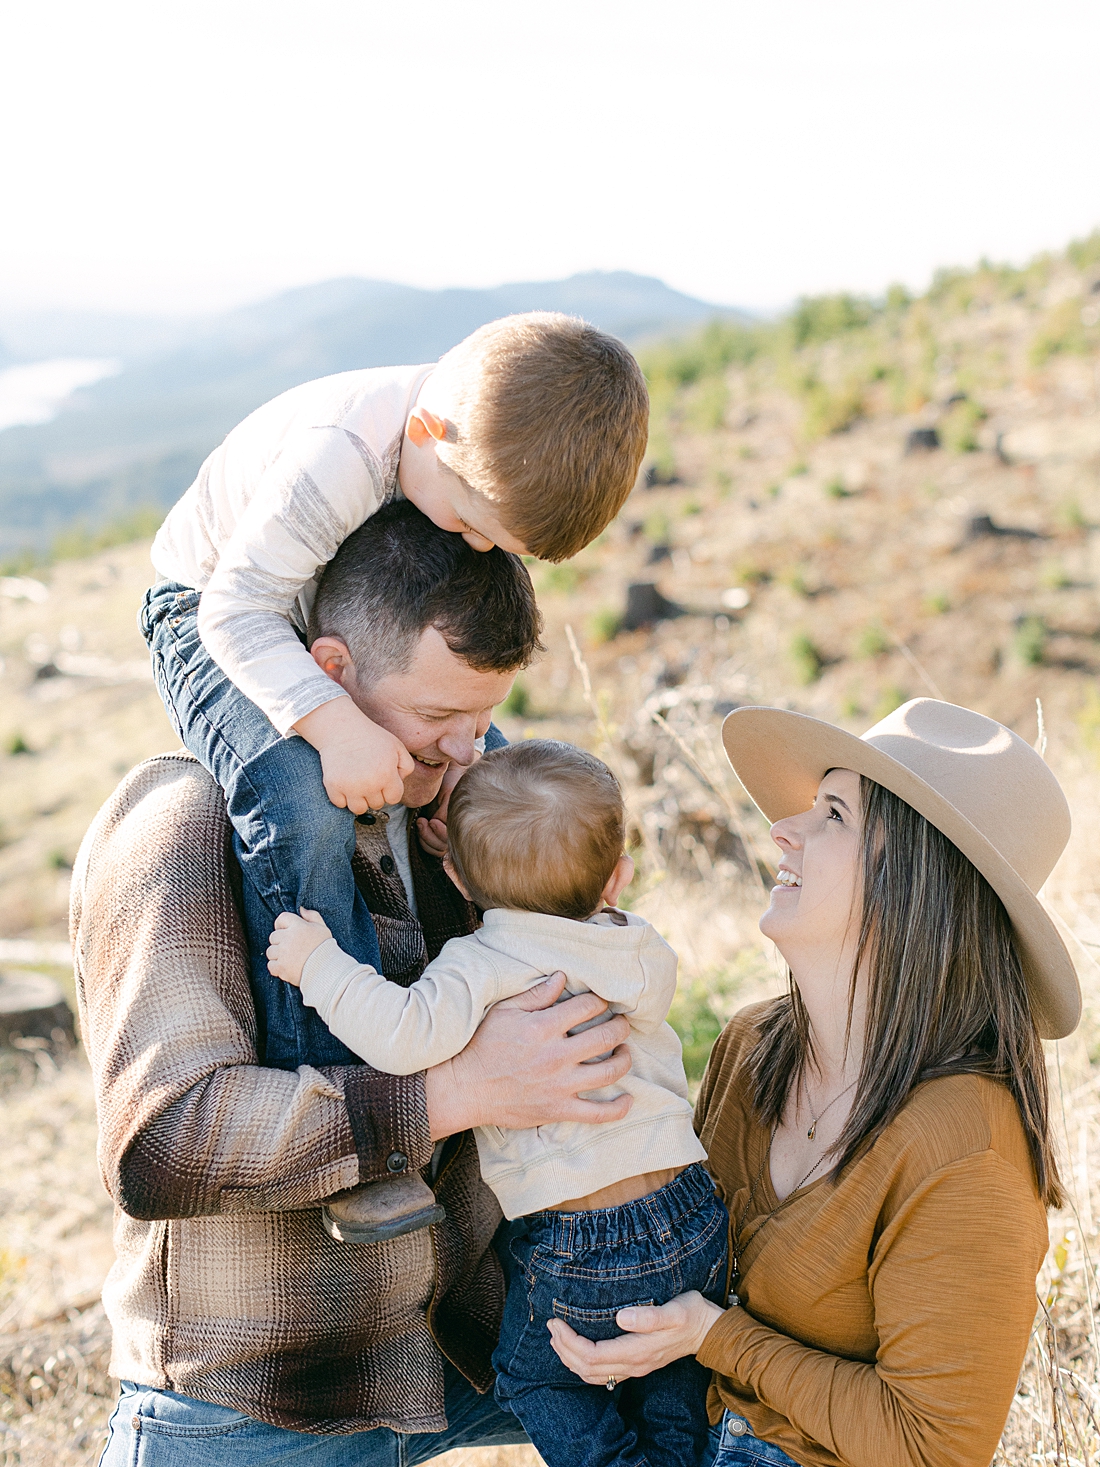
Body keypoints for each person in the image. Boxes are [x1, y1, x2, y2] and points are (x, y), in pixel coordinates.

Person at [77, 508, 638, 1465]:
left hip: (460, 1348)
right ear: (329, 671)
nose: (470, 751)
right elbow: (160, 1144)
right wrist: (449, 1093)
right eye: (437, 719)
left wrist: (585, 919)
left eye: (483, 716)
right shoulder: (181, 822)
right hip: (255, 1400)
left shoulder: (453, 816)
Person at [140, 314, 648, 1233]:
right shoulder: (339, 456)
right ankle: (340, 1078)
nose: (479, 549)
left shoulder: (461, 451)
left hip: (322, 614)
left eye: (503, 545)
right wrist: (333, 725)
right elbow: (238, 611)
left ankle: (551, 969)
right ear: (427, 437)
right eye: (469, 525)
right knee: (299, 796)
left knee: (498, 787)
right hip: (212, 606)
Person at [548, 698, 1081, 1467]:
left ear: (914, 883)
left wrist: (718, 1336)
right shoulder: (754, 1044)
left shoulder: (966, 1142)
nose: (784, 830)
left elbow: (932, 1446)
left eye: (832, 813)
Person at [267, 738, 729, 1467]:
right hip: (694, 1212)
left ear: (452, 874)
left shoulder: (480, 964)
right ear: (619, 876)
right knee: (668, 1375)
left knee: (529, 1374)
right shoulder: (636, 945)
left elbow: (399, 1033)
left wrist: (318, 965)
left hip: (585, 1242)